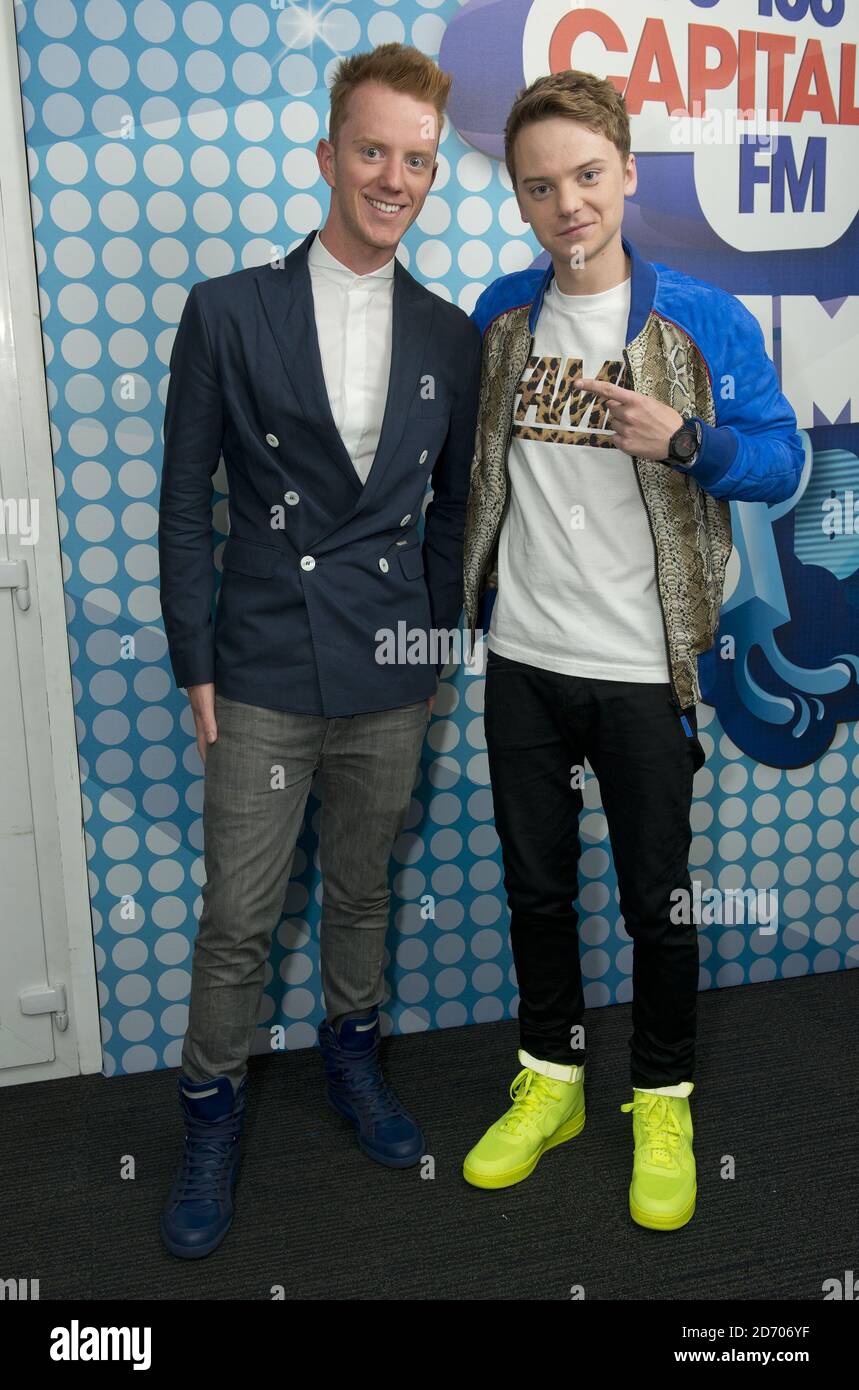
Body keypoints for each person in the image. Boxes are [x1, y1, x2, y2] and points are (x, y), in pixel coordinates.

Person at [460, 69, 804, 1229]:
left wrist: (690, 441)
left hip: (643, 671)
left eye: (588, 176)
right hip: (521, 658)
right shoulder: (499, 316)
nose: (568, 204)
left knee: (656, 903)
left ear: (627, 174)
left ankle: (661, 1096)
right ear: (519, 198)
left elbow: (784, 464)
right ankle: (551, 1080)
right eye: (542, 185)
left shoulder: (699, 316)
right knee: (536, 890)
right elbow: (465, 476)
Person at [157, 43, 481, 1259]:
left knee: (361, 891)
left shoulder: (452, 335)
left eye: (416, 159)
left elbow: (454, 507)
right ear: (327, 155)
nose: (393, 177)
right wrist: (198, 659)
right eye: (372, 150)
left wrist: (437, 636)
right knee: (237, 918)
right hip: (261, 666)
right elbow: (186, 498)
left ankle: (354, 1063)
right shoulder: (229, 309)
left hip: (392, 667)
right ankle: (206, 1116)